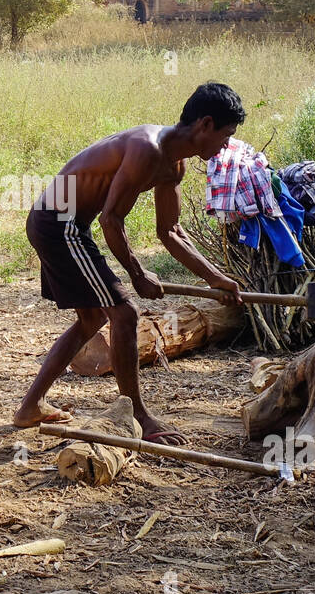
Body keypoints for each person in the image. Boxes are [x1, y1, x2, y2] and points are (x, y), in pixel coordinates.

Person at [13, 82, 246, 445]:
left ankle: (30, 407)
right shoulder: (146, 149)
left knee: (92, 318)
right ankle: (136, 414)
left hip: (70, 224)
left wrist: (217, 279)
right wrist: (137, 274)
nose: (226, 145)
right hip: (57, 223)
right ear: (205, 124)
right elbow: (111, 219)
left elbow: (170, 231)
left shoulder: (175, 166)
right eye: (226, 135)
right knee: (124, 315)